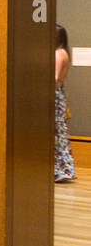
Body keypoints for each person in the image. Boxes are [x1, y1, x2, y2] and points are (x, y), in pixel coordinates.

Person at [56, 24, 75, 182]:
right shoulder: (65, 52)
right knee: (61, 130)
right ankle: (65, 168)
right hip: (60, 94)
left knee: (56, 131)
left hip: (55, 94)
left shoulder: (58, 54)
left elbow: (55, 78)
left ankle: (60, 169)